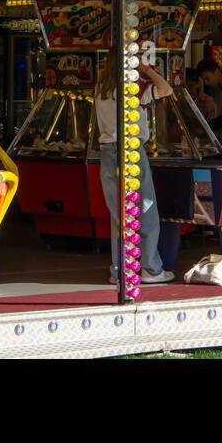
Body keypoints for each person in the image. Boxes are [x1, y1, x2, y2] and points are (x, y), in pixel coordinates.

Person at [94, 59, 174, 285]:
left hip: (108, 152)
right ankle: (150, 267)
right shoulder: (133, 87)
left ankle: (119, 270)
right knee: (145, 208)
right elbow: (166, 89)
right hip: (131, 151)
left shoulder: (100, 89)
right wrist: (147, 70)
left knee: (119, 213)